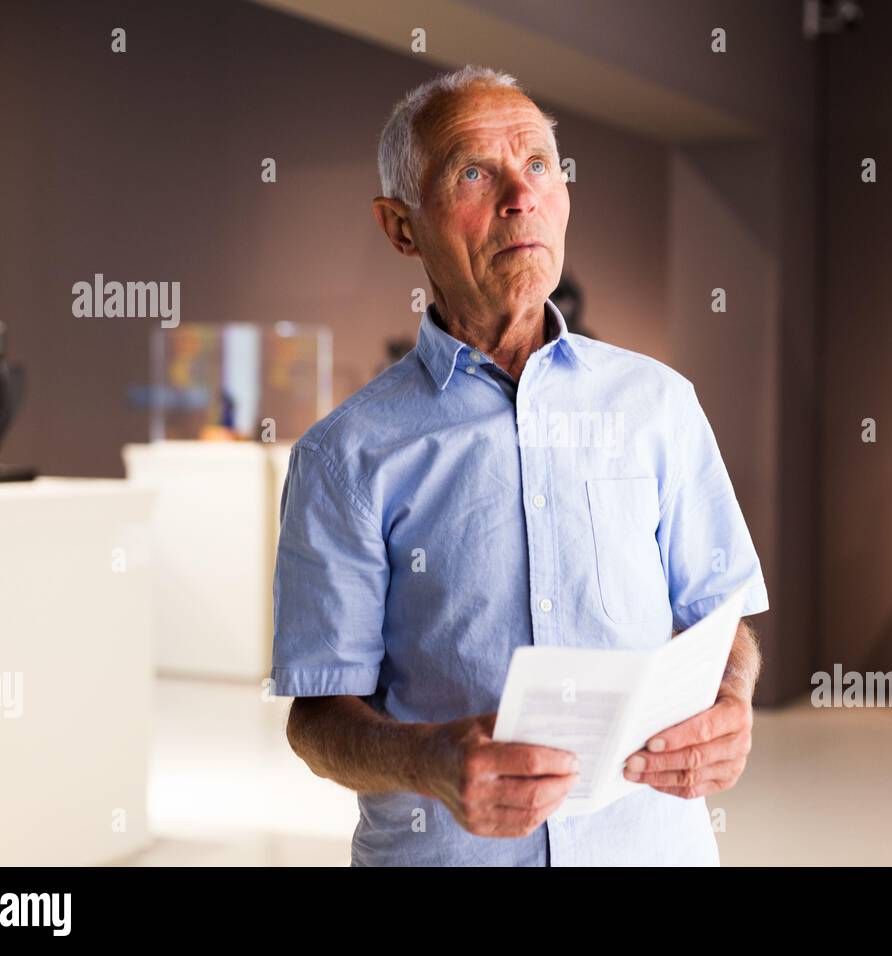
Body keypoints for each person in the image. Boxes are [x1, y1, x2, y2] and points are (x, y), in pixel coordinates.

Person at [271, 65, 769, 866]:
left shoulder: (659, 404)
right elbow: (319, 718)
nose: (520, 196)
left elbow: (722, 618)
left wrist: (733, 700)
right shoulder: (345, 456)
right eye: (475, 172)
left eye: (538, 164)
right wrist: (426, 761)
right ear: (401, 227)